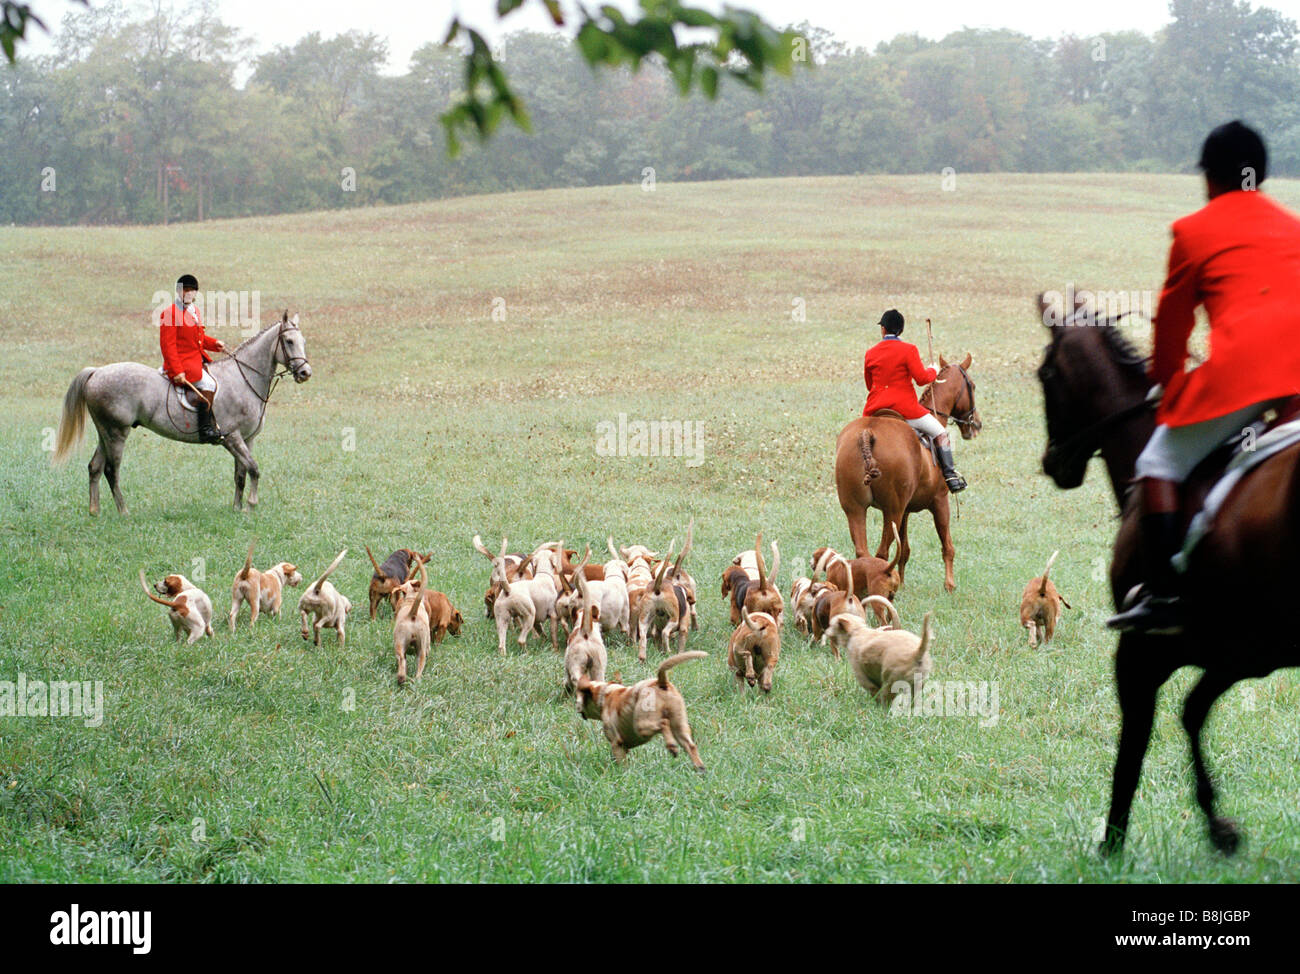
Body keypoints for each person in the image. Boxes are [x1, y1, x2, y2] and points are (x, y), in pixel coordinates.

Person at [1108, 120, 1300, 634]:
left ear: (1209, 177)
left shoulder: (1193, 232)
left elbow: (1172, 324)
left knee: (1157, 461)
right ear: (1258, 174)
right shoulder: (1295, 227)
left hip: (1249, 376)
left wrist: (1168, 384)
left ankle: (1165, 598)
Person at [863, 309, 966, 492]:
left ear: (883, 329)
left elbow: (869, 385)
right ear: (900, 331)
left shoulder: (870, 353)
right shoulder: (909, 349)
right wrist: (933, 370)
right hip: (906, 411)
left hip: (874, 411)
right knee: (941, 432)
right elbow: (921, 379)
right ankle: (950, 476)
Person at [159, 273, 226, 444]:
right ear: (178, 292)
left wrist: (214, 344)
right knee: (209, 384)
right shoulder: (170, 313)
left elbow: (198, 339)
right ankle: (205, 429)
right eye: (185, 290)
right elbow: (168, 346)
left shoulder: (194, 311)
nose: (188, 294)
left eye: (192, 291)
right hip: (182, 364)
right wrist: (177, 371)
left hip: (195, 360)